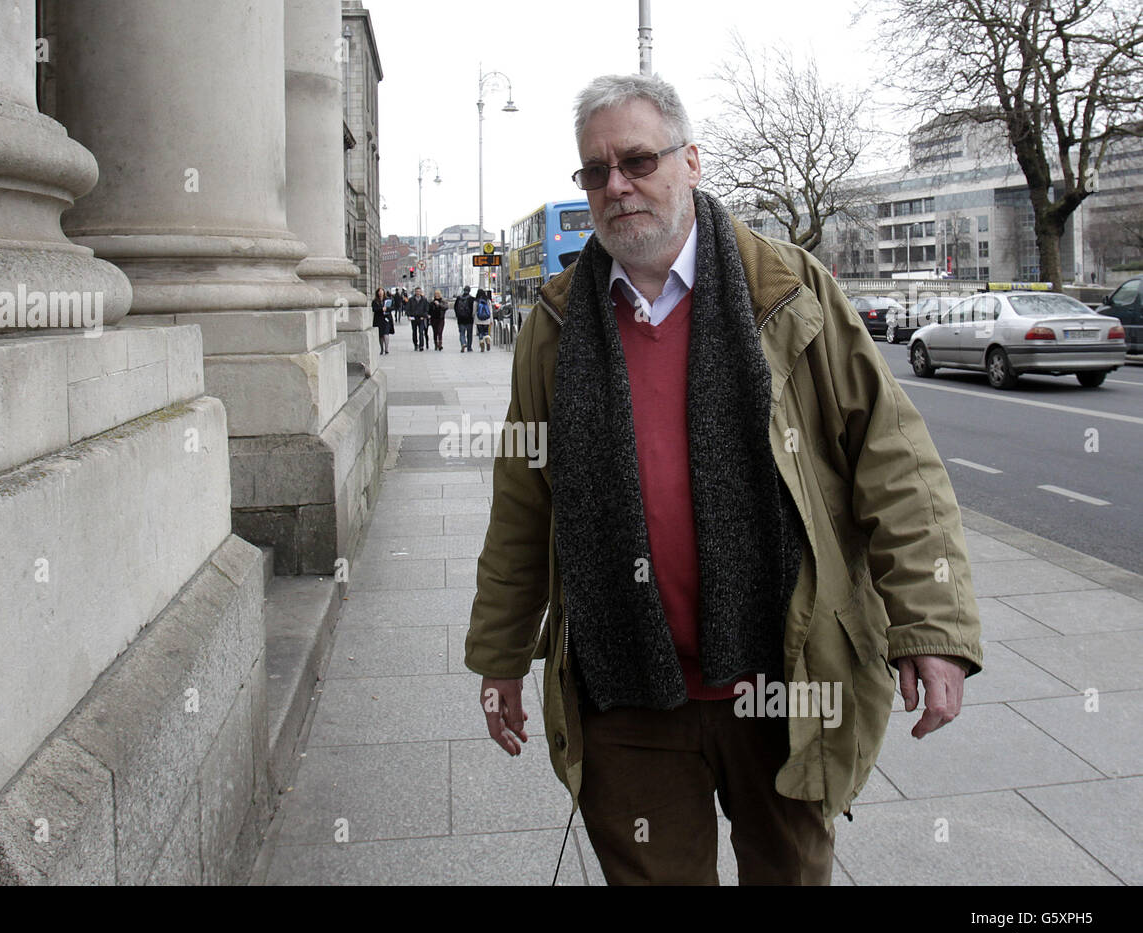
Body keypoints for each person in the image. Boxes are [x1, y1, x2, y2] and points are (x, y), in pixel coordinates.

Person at [464, 74, 983, 885]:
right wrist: (500, 655)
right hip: (625, 694)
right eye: (594, 173)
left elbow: (894, 463)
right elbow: (524, 504)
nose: (617, 187)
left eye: (637, 160)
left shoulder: (792, 290)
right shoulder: (558, 323)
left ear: (692, 161)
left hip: (784, 679)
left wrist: (933, 627)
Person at [405, 286, 430, 350]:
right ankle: (415, 344)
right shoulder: (411, 299)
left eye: (419, 291)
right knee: (414, 332)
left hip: (421, 318)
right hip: (414, 318)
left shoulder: (424, 300)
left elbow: (426, 309)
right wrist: (409, 316)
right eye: (417, 291)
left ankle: (421, 345)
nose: (418, 293)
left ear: (421, 292)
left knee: (421, 332)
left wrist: (424, 316)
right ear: (415, 292)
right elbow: (407, 308)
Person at [453, 285, 476, 352]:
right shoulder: (471, 299)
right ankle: (469, 347)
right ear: (469, 291)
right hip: (469, 319)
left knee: (462, 333)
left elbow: (455, 307)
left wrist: (457, 315)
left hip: (460, 319)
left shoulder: (458, 298)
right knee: (469, 334)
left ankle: (463, 343)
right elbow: (473, 309)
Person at [371, 286, 392, 355]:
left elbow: (391, 308)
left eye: (381, 291)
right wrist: (381, 309)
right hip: (379, 319)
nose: (380, 293)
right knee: (380, 335)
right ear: (377, 293)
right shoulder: (375, 301)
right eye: (379, 292)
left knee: (386, 334)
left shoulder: (387, 300)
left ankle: (386, 349)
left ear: (384, 292)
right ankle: (381, 349)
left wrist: (387, 309)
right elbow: (374, 309)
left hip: (386, 319)